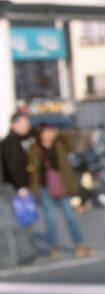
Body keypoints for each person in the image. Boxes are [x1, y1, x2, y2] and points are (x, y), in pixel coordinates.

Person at [28, 123, 96, 257]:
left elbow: (72, 141)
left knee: (70, 217)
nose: (50, 133)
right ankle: (55, 247)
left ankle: (80, 245)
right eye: (47, 131)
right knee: (50, 219)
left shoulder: (60, 144)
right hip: (44, 186)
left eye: (51, 131)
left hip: (62, 185)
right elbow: (33, 168)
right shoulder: (34, 148)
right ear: (40, 133)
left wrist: (59, 132)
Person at [0, 109, 39, 265]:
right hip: (15, 187)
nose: (28, 126)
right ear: (14, 124)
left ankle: (24, 250)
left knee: (21, 218)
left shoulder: (17, 140)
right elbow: (13, 166)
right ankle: (24, 251)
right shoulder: (11, 143)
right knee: (20, 219)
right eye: (24, 123)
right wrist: (21, 186)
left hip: (15, 186)